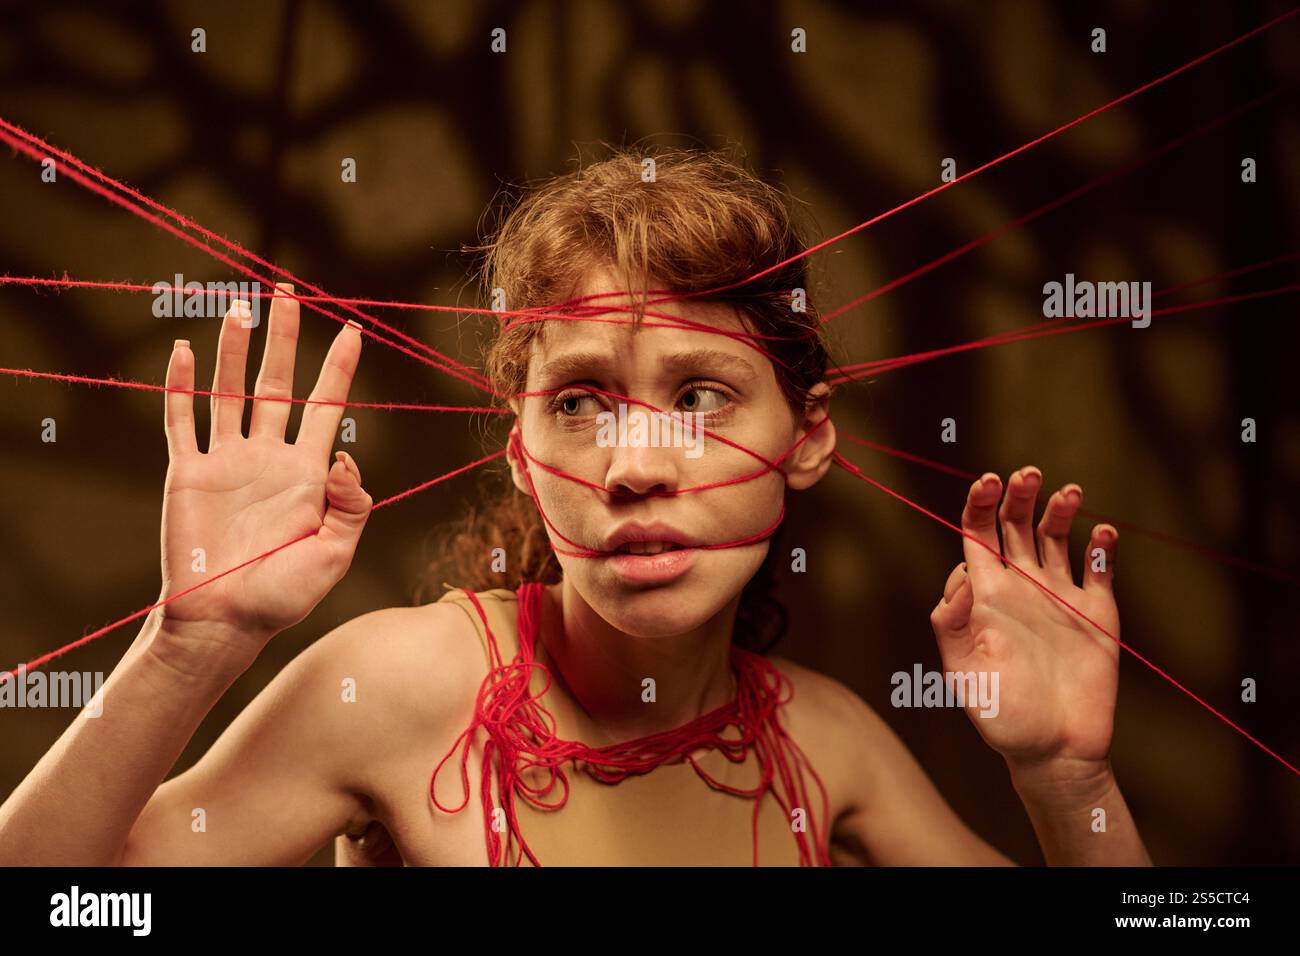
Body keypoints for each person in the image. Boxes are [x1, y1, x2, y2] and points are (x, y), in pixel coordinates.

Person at [0, 148, 1149, 866]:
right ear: (521, 452)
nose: (635, 464)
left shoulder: (826, 741)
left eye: (699, 397)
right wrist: (185, 642)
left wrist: (1067, 782)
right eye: (581, 402)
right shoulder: (400, 686)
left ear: (805, 439)